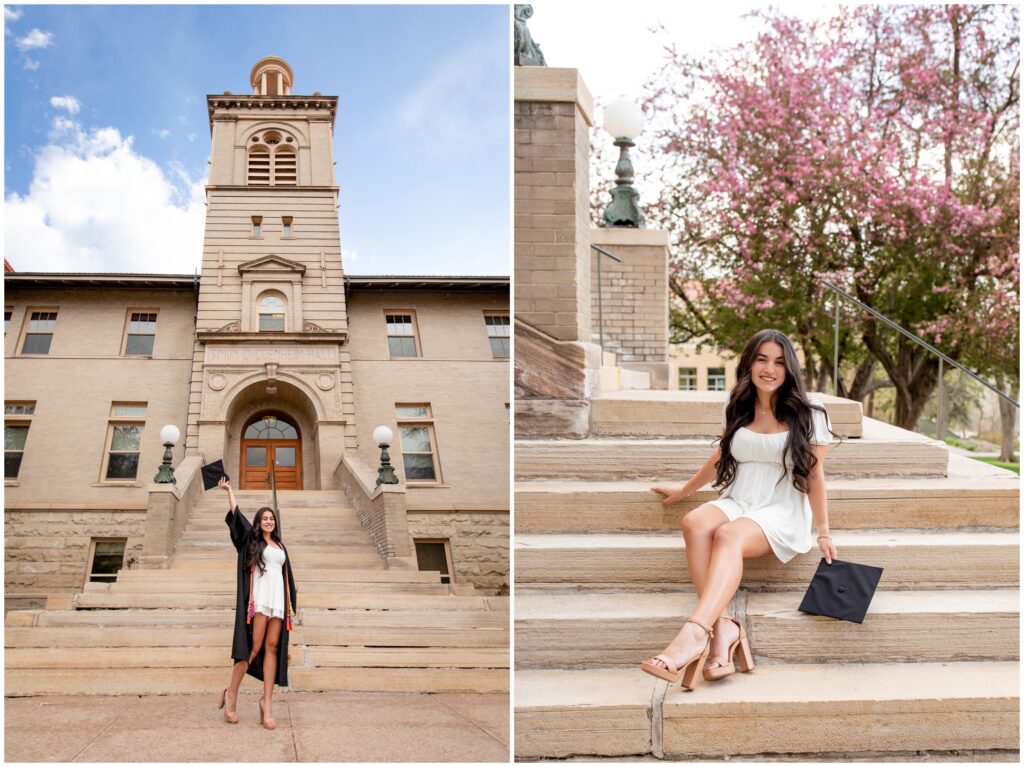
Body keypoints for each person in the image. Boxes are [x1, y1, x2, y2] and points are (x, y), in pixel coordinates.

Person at [641, 329, 837, 690]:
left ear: (790, 368)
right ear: (749, 363)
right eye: (762, 359)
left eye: (779, 361)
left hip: (780, 509)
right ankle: (725, 625)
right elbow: (721, 457)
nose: (769, 369)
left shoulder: (811, 415)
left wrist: (823, 530)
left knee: (727, 535)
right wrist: (685, 489)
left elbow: (815, 476)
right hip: (739, 498)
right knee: (695, 522)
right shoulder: (738, 405)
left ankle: (695, 633)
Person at [216, 477, 298, 728]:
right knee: (253, 648)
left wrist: (292, 603)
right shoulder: (253, 543)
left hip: (278, 603)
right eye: (264, 518)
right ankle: (231, 693)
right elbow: (237, 518)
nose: (269, 521)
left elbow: (286, 575)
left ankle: (267, 703)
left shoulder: (280, 544)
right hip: (260, 601)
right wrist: (229, 491)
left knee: (272, 647)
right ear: (258, 523)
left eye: (271, 518)